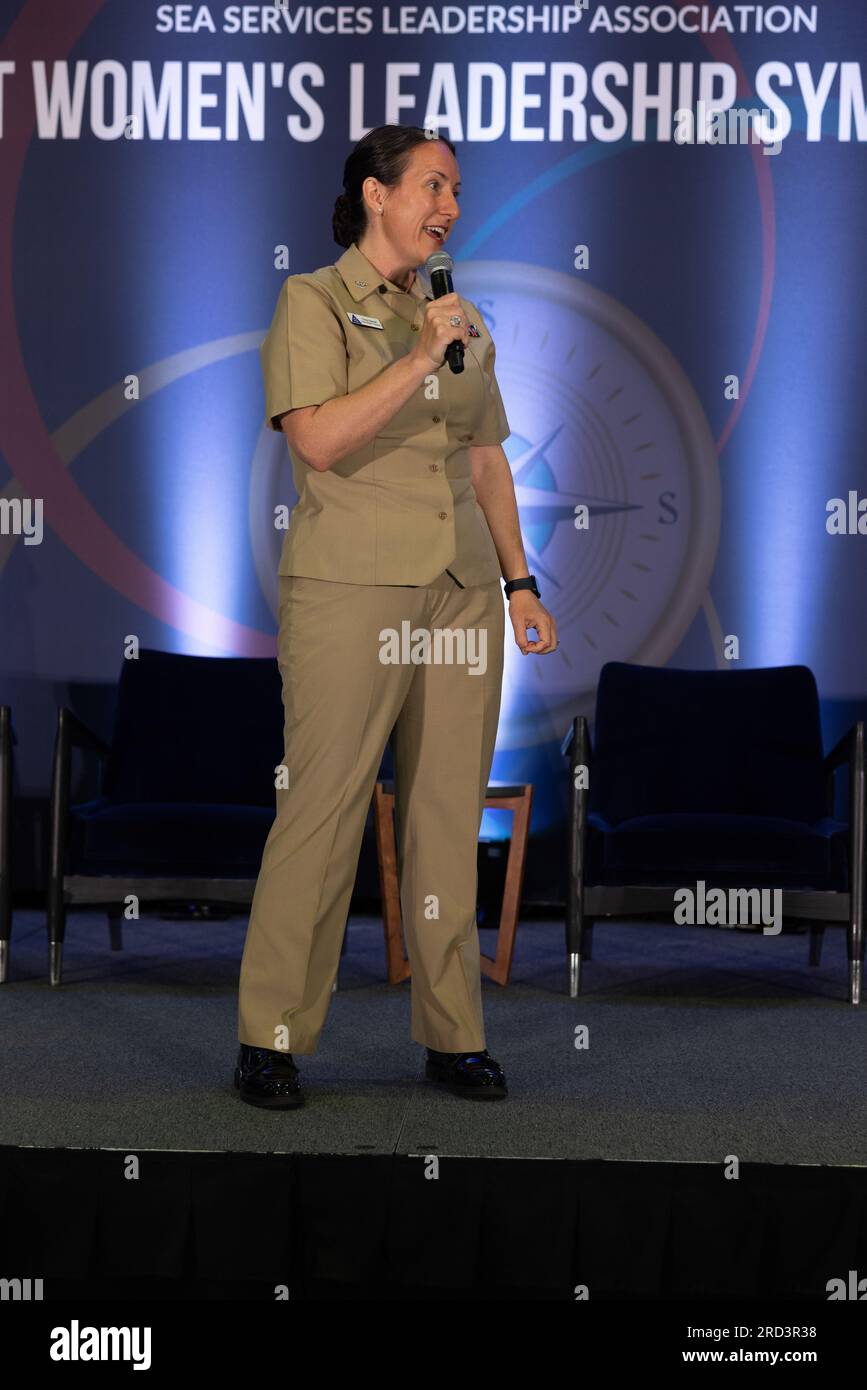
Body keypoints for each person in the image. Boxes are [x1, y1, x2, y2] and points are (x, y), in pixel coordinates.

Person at [235, 124, 557, 1109]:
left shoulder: (458, 317)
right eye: (433, 185)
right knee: (325, 812)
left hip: (461, 593)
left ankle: (453, 1035)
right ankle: (273, 1036)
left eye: (456, 188)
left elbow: (486, 458)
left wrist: (519, 583)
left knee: (446, 816)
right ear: (376, 195)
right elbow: (320, 441)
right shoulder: (313, 302)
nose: (450, 205)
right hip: (352, 591)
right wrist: (418, 357)